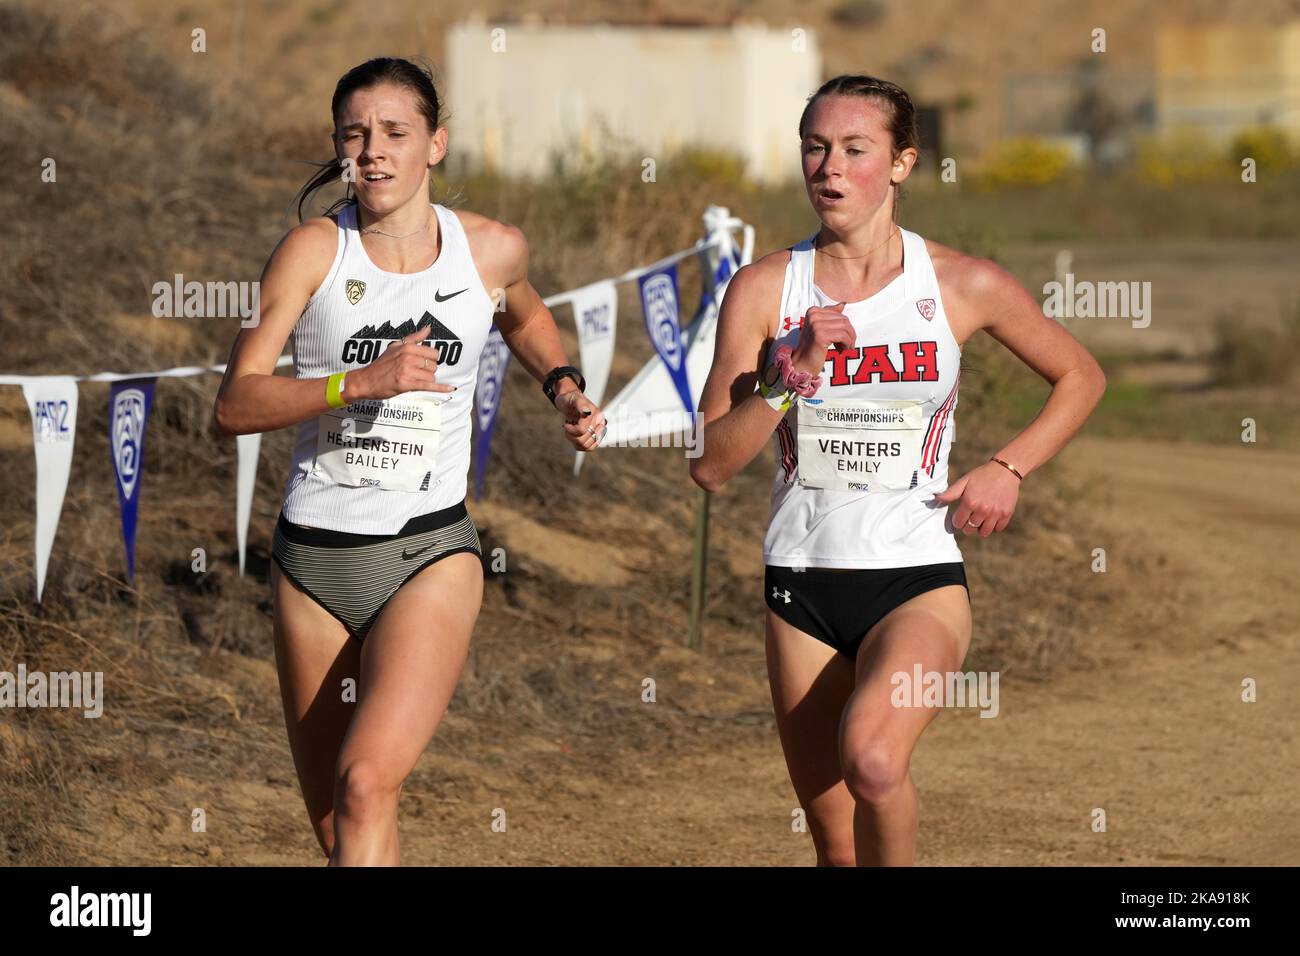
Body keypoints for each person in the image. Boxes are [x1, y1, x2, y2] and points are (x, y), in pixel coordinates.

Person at [690, 74, 1105, 866]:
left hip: (915, 577)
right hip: (800, 582)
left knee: (875, 761)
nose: (830, 168)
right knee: (838, 848)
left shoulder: (959, 283)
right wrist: (788, 379)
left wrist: (1007, 468)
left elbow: (1082, 376)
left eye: (855, 150)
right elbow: (711, 466)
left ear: (903, 162)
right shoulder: (763, 290)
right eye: (815, 148)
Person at [212, 57, 605, 866]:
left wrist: (562, 385)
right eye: (355, 135)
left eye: (395, 132)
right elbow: (234, 404)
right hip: (312, 559)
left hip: (428, 550)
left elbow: (524, 316)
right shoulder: (312, 253)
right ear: (338, 148)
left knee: (365, 786)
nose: (374, 151)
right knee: (338, 826)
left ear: (437, 145)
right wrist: (359, 382)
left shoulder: (490, 250)